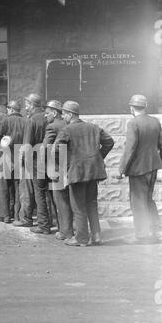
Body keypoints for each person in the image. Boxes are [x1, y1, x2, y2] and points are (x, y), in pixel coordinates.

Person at [55, 101, 114, 246]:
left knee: (78, 206)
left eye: (64, 114)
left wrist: (66, 164)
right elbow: (109, 142)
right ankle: (97, 236)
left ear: (70, 114)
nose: (63, 117)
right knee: (92, 204)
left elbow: (56, 150)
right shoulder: (94, 127)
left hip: (77, 173)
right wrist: (97, 157)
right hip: (94, 172)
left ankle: (81, 239)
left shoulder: (67, 130)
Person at [119, 94, 162, 242]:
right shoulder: (155, 121)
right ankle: (154, 228)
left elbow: (130, 149)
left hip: (138, 169)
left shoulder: (133, 123)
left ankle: (142, 234)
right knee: (148, 199)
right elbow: (161, 145)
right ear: (145, 107)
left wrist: (121, 170)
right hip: (153, 167)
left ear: (132, 108)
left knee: (138, 201)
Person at [14, 93, 49, 234]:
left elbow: (27, 144)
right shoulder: (48, 118)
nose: (26, 107)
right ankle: (47, 221)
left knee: (30, 191)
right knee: (46, 193)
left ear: (32, 105)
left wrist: (22, 161)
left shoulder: (32, 120)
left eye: (27, 104)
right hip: (49, 160)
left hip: (33, 160)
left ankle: (32, 221)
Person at [43, 100, 74, 241]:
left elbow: (45, 148)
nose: (45, 116)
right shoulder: (69, 123)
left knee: (61, 201)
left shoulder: (52, 127)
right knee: (69, 201)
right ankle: (69, 229)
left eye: (48, 113)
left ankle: (65, 232)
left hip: (57, 169)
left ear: (55, 113)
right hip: (71, 168)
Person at [0, 100, 26, 223]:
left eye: (8, 109)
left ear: (11, 109)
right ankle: (17, 216)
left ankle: (5, 215)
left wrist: (3, 140)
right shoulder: (26, 121)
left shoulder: (5, 120)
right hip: (21, 157)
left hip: (7, 156)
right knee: (18, 188)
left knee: (4, 187)